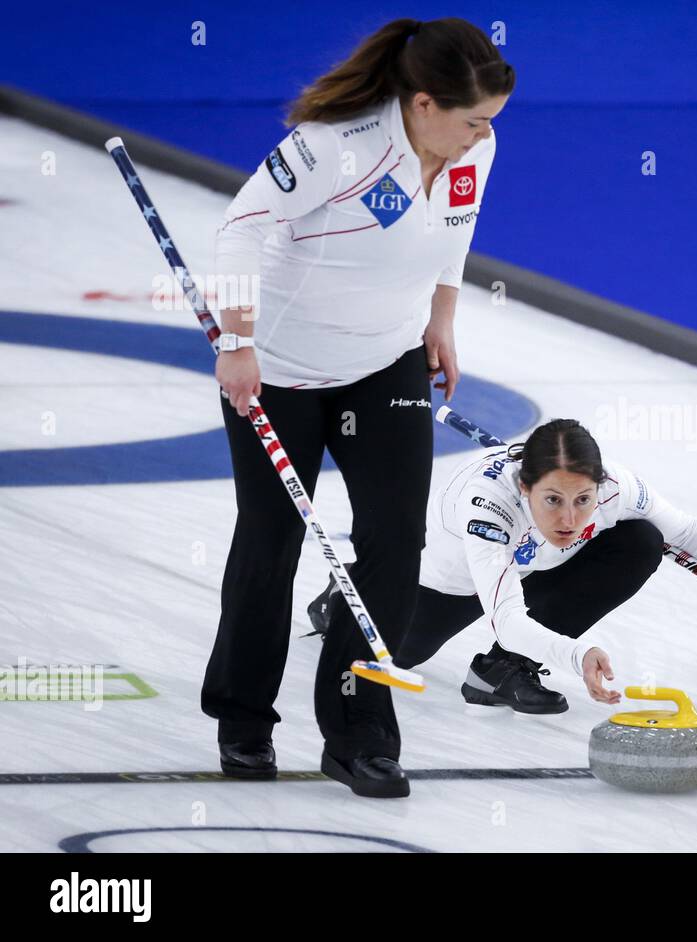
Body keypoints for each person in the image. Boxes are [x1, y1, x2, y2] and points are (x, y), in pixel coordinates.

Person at [202, 17, 514, 797]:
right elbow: (241, 230)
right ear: (421, 103)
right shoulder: (331, 146)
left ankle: (359, 729)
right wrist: (236, 344)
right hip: (283, 368)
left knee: (393, 540)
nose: (482, 135)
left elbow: (456, 229)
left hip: (387, 362)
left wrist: (441, 320)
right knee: (271, 541)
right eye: (472, 118)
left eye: (489, 122)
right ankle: (243, 719)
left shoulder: (473, 145)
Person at [309, 419, 697, 794]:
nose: (570, 517)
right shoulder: (487, 506)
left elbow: (686, 533)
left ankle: (501, 673)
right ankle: (345, 592)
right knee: (403, 653)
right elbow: (505, 619)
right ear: (525, 486)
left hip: (535, 564)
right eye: (552, 500)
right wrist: (578, 654)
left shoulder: (617, 487)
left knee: (642, 540)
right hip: (452, 581)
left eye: (583, 500)